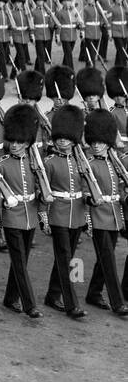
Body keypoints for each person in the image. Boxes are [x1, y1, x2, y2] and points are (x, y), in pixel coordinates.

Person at [0, 104, 43, 318]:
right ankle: (29, 304)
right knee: (20, 262)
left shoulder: (35, 162)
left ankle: (10, 298)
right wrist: (3, 203)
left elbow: (41, 188)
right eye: (12, 141)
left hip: (30, 215)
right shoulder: (2, 164)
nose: (14, 145)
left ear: (28, 142)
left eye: (19, 142)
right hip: (12, 217)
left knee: (21, 260)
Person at [43, 105, 88, 319]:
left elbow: (88, 187)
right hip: (59, 214)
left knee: (72, 258)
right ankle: (72, 304)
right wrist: (44, 216)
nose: (61, 140)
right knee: (65, 256)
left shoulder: (81, 162)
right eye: (59, 137)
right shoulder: (49, 163)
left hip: (77, 213)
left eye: (66, 137)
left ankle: (53, 295)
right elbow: (43, 191)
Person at [82, 108, 128, 316]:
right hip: (99, 216)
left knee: (104, 257)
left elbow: (119, 188)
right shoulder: (88, 165)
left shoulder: (115, 163)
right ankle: (117, 302)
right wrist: (91, 198)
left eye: (100, 142)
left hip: (115, 215)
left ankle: (93, 292)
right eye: (94, 143)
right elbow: (84, 190)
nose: (96, 145)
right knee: (108, 259)